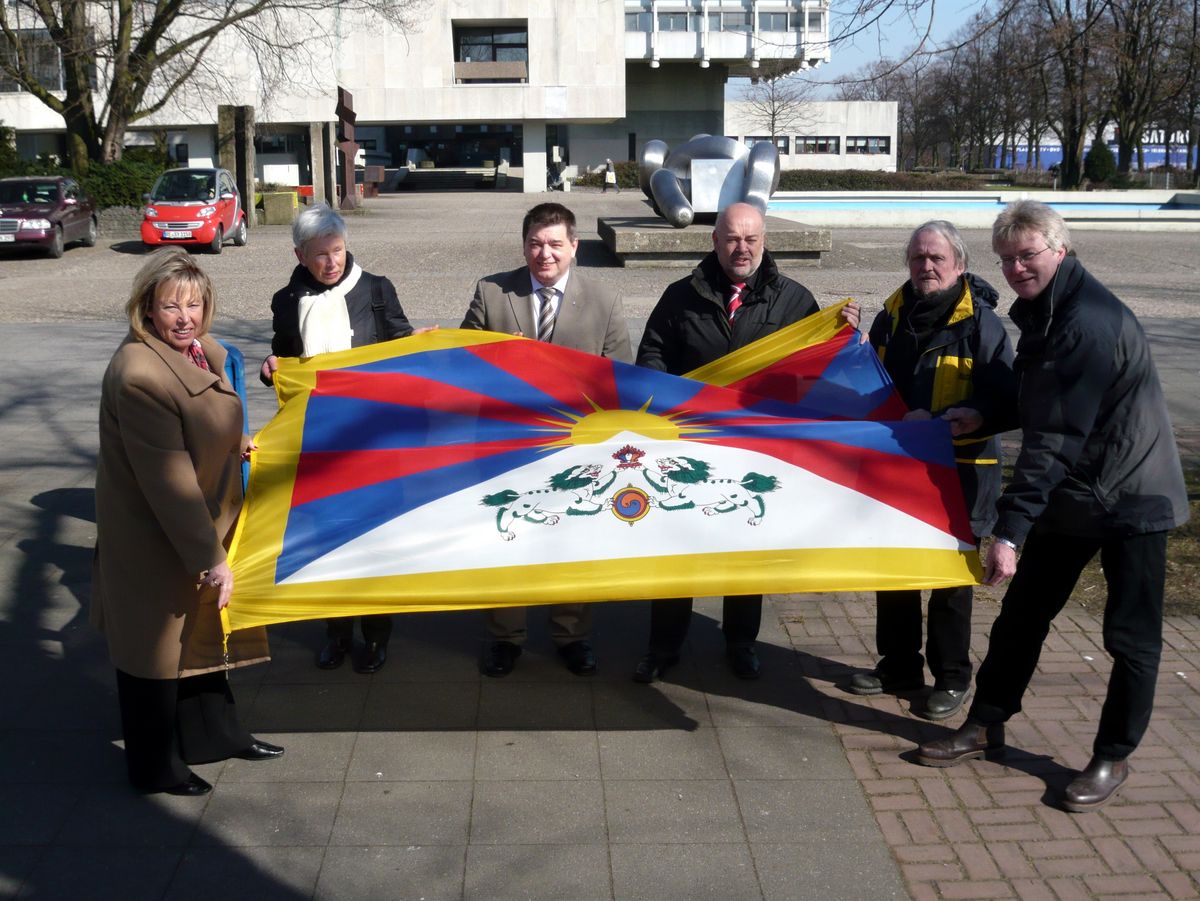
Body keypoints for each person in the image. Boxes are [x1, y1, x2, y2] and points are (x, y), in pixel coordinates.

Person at [915, 201, 1189, 812]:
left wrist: (1009, 532)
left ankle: (1111, 755)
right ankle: (987, 722)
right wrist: (987, 413)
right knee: (1022, 616)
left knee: (1130, 638)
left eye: (1027, 255)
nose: (1015, 268)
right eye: (1007, 258)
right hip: (1077, 490)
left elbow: (1055, 439)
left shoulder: (1085, 320)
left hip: (1133, 497)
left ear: (1059, 251)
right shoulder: (1047, 310)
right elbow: (1038, 398)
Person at [633, 201, 860, 682]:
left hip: (756, 448)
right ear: (714, 241)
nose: (742, 248)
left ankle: (740, 642)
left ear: (764, 241)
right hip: (689, 446)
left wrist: (840, 335)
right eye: (733, 238)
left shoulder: (795, 301)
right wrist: (668, 406)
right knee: (677, 546)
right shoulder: (680, 297)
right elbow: (652, 355)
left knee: (746, 543)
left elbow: (814, 374)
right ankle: (662, 647)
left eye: (751, 239)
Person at [93, 248, 282, 797]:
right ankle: (153, 767)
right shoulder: (140, 374)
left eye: (195, 305)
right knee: (153, 649)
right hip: (158, 535)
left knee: (203, 635)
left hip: (201, 522)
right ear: (146, 309)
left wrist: (241, 444)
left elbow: (203, 428)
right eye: (171, 306)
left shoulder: (202, 354)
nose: (185, 317)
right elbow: (167, 479)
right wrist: (211, 558)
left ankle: (213, 735)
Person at [849, 221, 1015, 719]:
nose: (926, 266)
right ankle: (898, 666)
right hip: (896, 470)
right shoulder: (889, 318)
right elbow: (869, 385)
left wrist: (967, 417)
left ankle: (951, 677)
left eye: (937, 259)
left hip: (959, 473)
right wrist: (847, 348)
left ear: (959, 265)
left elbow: (1007, 399)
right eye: (919, 257)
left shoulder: (982, 325)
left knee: (948, 580)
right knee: (895, 571)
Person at [461, 202, 633, 677]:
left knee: (574, 539)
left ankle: (571, 634)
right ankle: (504, 636)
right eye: (536, 243)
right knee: (507, 534)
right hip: (507, 445)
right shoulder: (493, 292)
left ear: (574, 247)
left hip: (578, 450)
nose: (545, 254)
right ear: (524, 245)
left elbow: (621, 379)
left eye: (556, 244)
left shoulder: (604, 300)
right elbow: (464, 363)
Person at [261, 202, 426, 675]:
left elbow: (402, 346)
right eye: (320, 254)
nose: (331, 262)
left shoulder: (376, 289)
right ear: (299, 254)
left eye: (337, 250)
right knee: (323, 544)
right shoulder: (286, 300)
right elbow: (283, 357)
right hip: (317, 445)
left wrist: (421, 345)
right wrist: (270, 368)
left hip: (373, 443)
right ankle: (335, 632)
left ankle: (376, 639)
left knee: (373, 543)